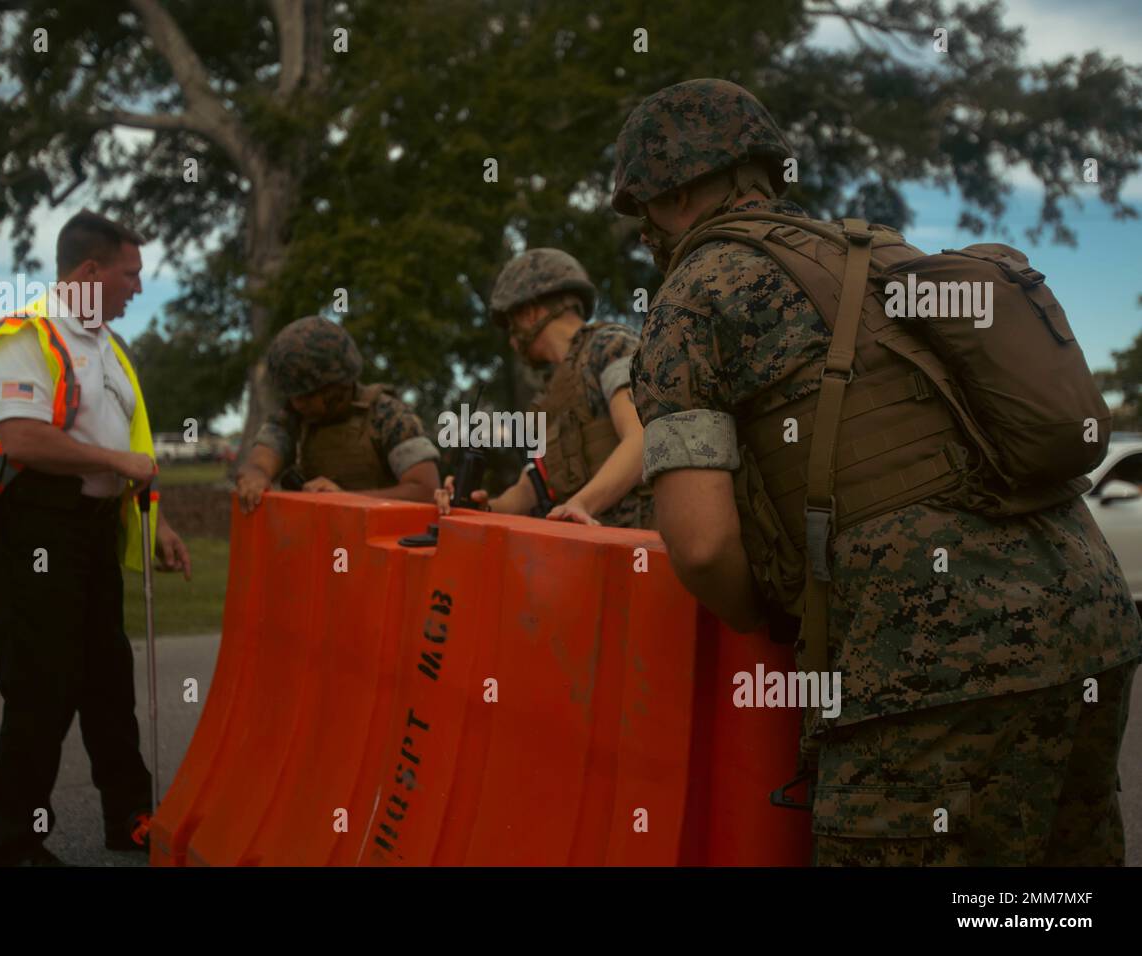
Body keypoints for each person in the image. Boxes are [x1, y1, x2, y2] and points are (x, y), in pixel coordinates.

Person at [613, 78, 1142, 865]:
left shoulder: (692, 297)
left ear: (676, 192)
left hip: (933, 663)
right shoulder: (880, 249)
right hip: (1090, 617)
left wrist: (769, 620)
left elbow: (701, 546)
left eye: (645, 208)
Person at [0, 209, 192, 866]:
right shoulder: (26, 338)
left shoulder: (105, 345)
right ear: (88, 271)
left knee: (108, 675)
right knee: (42, 683)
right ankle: (11, 844)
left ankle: (129, 815)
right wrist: (116, 467)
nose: (138, 286)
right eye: (130, 274)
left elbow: (121, 446)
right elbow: (23, 438)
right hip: (30, 526)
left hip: (90, 527)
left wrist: (155, 521)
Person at [435, 249, 653, 528]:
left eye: (512, 328)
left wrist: (581, 503)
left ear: (530, 313)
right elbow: (534, 485)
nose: (513, 343)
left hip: (640, 545)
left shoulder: (610, 345)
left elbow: (642, 438)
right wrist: (483, 508)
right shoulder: (553, 392)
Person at [235, 315, 440, 512]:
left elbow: (425, 490)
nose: (297, 404)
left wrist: (345, 499)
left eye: (307, 395)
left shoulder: (389, 416)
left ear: (338, 386)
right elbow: (259, 462)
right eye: (293, 396)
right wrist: (256, 476)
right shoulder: (292, 417)